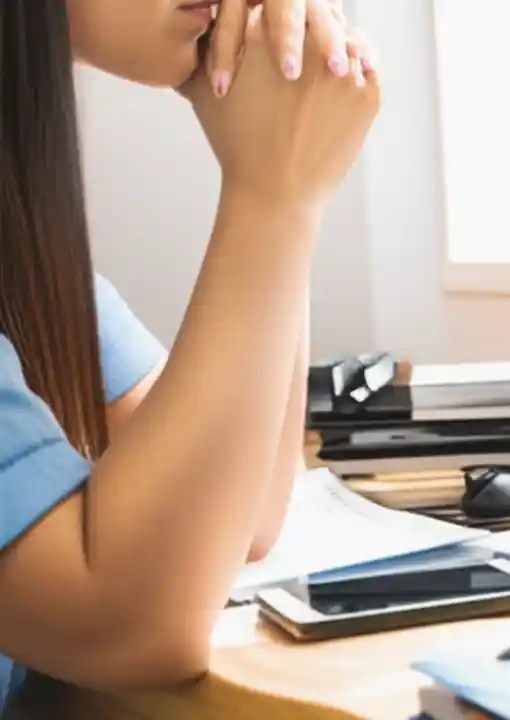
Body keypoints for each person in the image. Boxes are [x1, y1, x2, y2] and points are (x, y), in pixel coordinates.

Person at [0, 0, 379, 711]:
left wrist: (285, 164)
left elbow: (245, 518)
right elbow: (127, 627)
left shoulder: (26, 253)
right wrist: (271, 192)